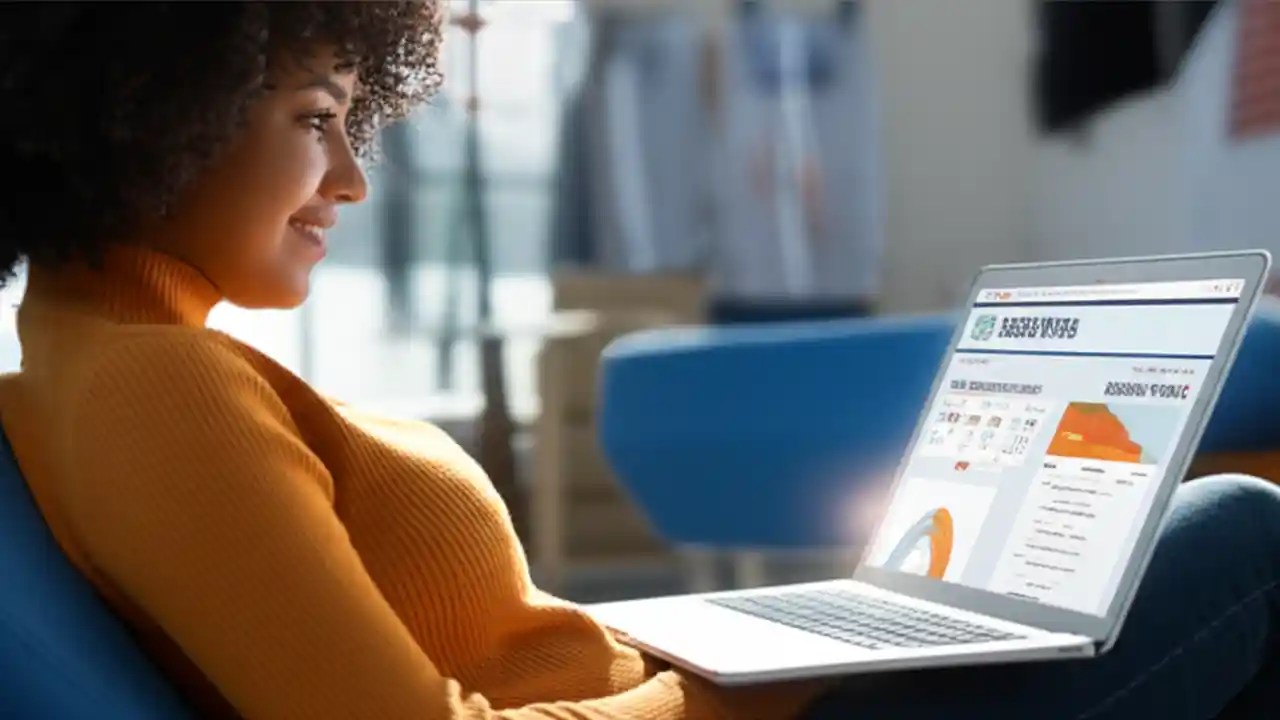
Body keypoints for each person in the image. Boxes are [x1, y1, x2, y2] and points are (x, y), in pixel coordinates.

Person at [0, 3, 1275, 719]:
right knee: (1239, 527)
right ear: (154, 110)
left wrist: (702, 644)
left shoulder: (91, 357)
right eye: (314, 121)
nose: (349, 175)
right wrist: (746, 694)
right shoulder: (156, 388)